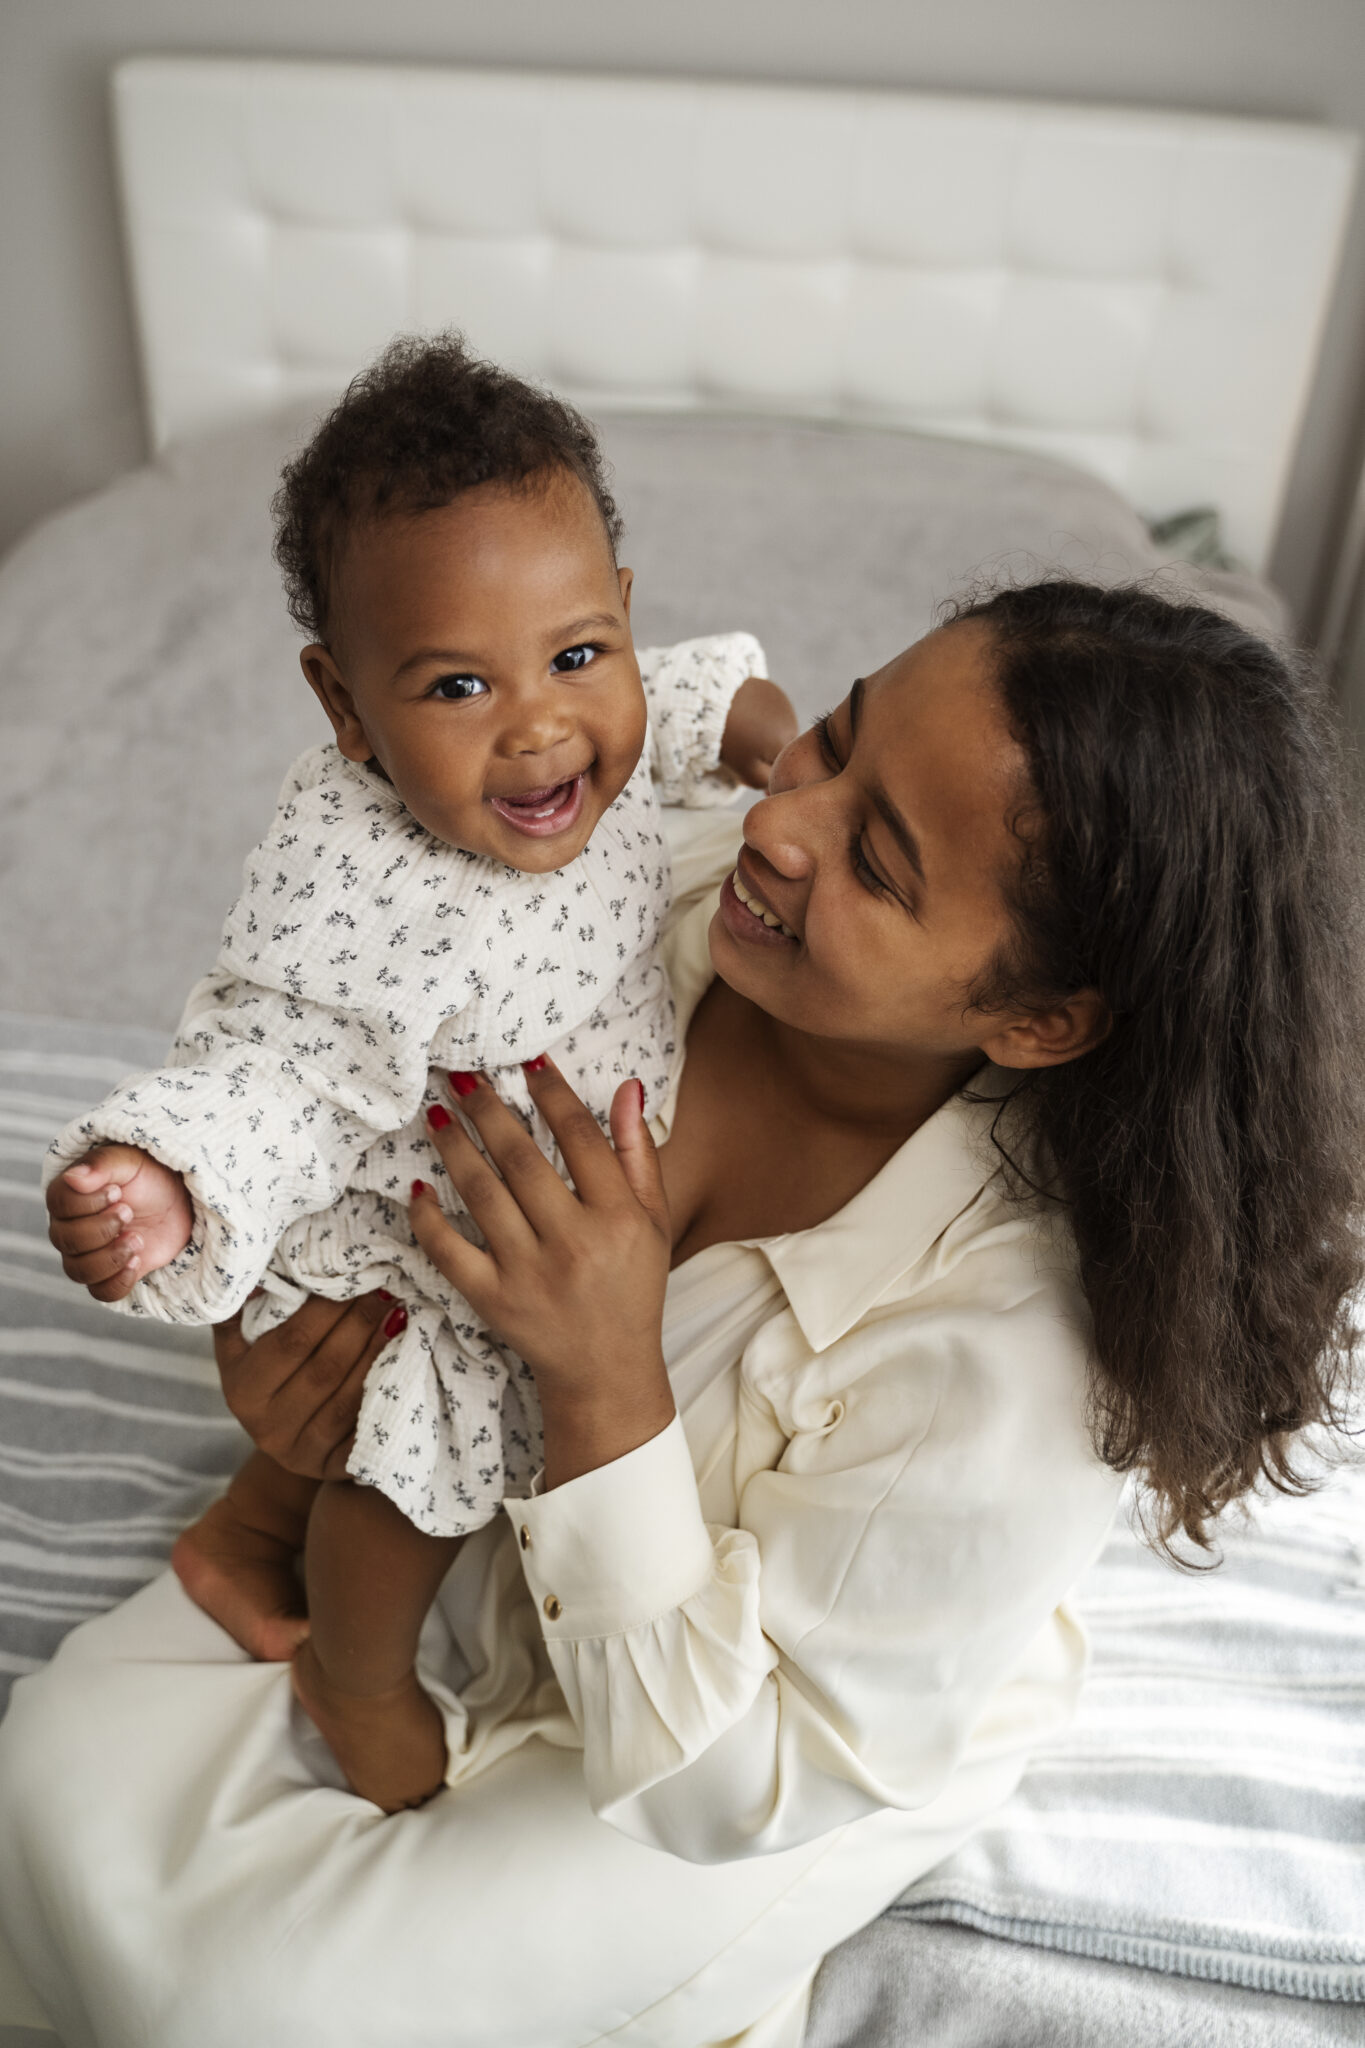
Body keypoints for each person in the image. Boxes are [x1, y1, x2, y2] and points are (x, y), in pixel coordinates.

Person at [3, 582, 1361, 2048]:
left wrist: (602, 1385)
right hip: (455, 1545)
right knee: (50, 1781)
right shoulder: (645, 889)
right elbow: (355, 1109)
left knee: (243, 2016)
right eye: (831, 744)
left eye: (878, 864)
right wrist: (275, 1372)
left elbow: (739, 1782)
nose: (783, 827)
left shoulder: (1013, 1359)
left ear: (1034, 1018)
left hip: (743, 1735)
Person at [39, 334, 797, 1810]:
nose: (537, 726)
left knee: (388, 1431)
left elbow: (695, 702)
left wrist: (787, 743)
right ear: (343, 709)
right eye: (455, 686)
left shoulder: (615, 729)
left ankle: (243, 1529)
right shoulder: (359, 876)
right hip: (427, 1243)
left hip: (550, 1203)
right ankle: (357, 1673)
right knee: (412, 1476)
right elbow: (273, 1063)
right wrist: (161, 1179)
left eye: (578, 654)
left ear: (618, 621)